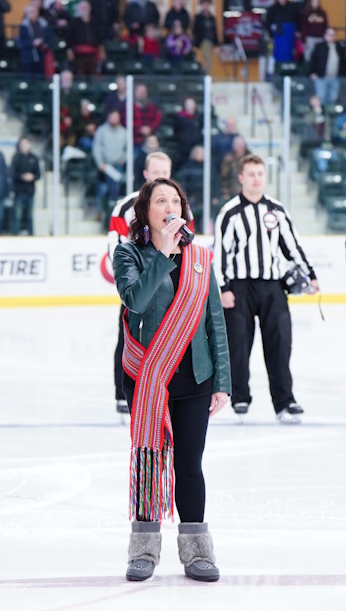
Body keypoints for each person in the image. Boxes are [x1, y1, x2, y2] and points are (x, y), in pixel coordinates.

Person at [112, 177, 230, 583]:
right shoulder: (129, 254)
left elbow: (215, 321)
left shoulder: (200, 258)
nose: (168, 206)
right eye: (159, 200)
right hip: (148, 377)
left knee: (189, 465)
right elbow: (135, 300)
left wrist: (223, 380)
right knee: (148, 460)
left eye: (175, 200)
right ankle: (144, 548)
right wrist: (162, 253)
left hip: (195, 377)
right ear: (146, 212)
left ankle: (197, 551)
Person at [214, 154, 318, 424]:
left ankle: (285, 401)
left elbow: (291, 246)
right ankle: (239, 396)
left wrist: (311, 275)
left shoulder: (277, 210)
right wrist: (224, 288)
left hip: (273, 287)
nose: (256, 178)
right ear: (241, 178)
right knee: (238, 345)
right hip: (239, 288)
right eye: (251, 174)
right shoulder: (230, 212)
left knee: (280, 344)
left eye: (260, 174)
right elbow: (221, 254)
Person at [107, 152, 174, 415]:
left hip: (168, 286)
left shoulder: (178, 206)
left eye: (164, 173)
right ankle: (123, 393)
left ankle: (165, 387)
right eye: (155, 173)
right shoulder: (126, 206)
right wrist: (128, 280)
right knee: (128, 336)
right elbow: (115, 243)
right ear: (145, 174)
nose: (160, 177)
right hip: (136, 287)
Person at [93, 109, 128, 217]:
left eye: (116, 116)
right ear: (108, 117)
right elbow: (97, 147)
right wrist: (100, 163)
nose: (114, 119)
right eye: (112, 116)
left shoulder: (124, 132)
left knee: (115, 189)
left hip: (118, 165)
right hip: (105, 166)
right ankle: (99, 212)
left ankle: (115, 212)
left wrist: (124, 158)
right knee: (102, 190)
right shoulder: (101, 131)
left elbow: (128, 148)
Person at [10, 135, 41, 235]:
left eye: (26, 144)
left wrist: (32, 177)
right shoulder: (16, 158)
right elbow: (12, 174)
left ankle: (31, 234)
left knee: (29, 215)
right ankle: (16, 233)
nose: (24, 146)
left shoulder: (34, 158)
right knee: (17, 214)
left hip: (30, 190)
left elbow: (38, 174)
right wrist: (22, 176)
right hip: (19, 190)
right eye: (22, 144)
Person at [67, 0, 105, 76]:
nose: (85, 9)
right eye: (83, 7)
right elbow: (69, 38)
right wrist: (69, 50)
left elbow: (99, 39)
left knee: (93, 74)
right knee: (80, 74)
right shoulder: (73, 23)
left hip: (92, 54)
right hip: (78, 54)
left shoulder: (94, 23)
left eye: (86, 7)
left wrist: (102, 51)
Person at [309, 27, 344, 107]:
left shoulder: (340, 47)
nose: (331, 37)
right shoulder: (319, 46)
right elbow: (313, 60)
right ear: (325, 35)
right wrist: (312, 72)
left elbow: (343, 62)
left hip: (335, 77)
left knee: (333, 97)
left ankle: (331, 116)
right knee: (321, 97)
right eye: (329, 34)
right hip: (321, 77)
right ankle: (322, 116)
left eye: (333, 35)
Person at [192, 0, 220, 75]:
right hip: (203, 41)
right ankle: (207, 77)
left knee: (209, 60)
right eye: (204, 4)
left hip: (211, 42)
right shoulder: (198, 17)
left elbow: (214, 32)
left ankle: (206, 76)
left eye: (207, 4)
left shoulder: (212, 18)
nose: (206, 6)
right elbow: (195, 31)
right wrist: (198, 42)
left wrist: (216, 44)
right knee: (208, 60)